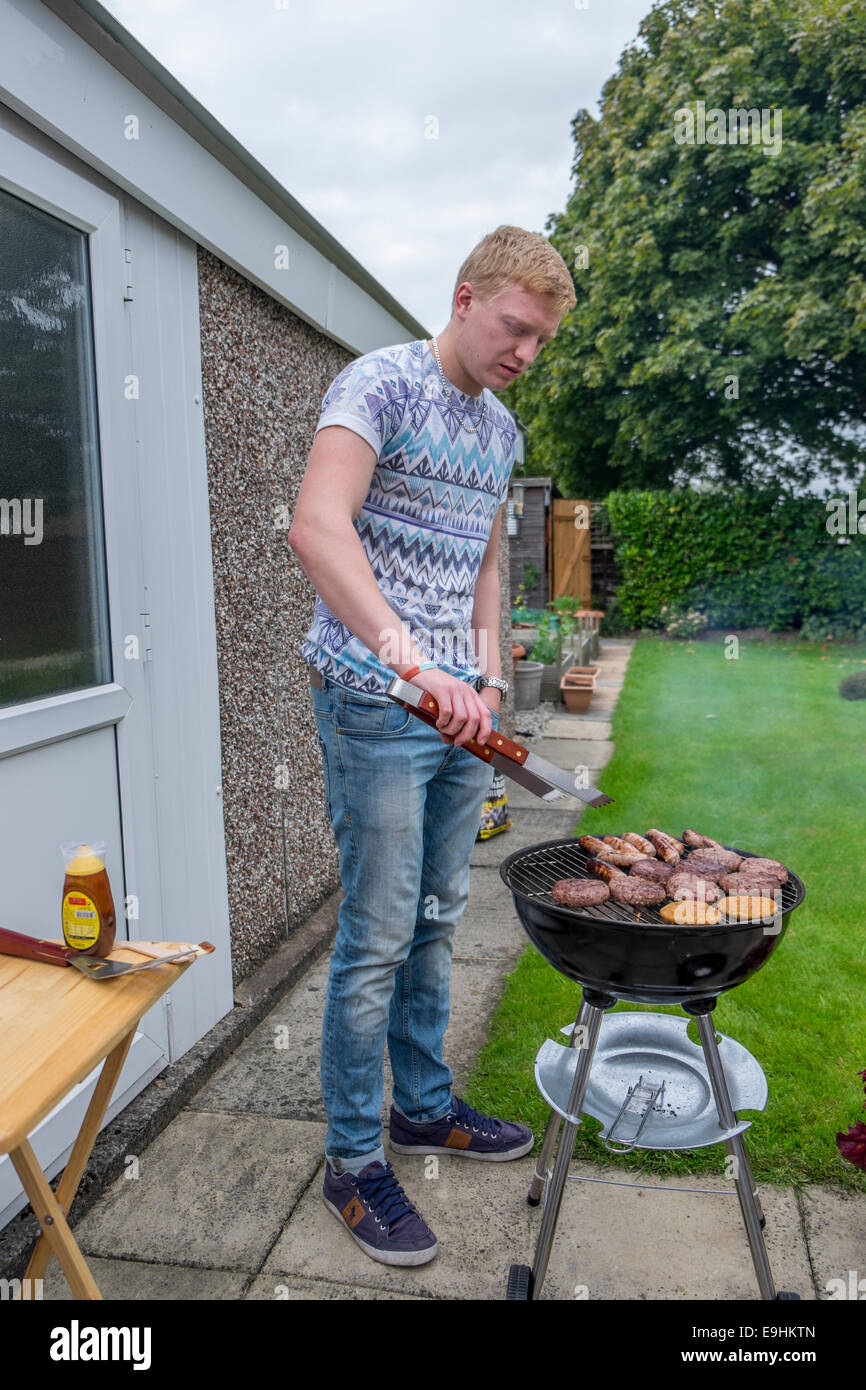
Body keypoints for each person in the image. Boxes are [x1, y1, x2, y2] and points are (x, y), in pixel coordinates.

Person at [288, 224, 576, 1267]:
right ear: (463, 298)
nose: (524, 353)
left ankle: (420, 1105)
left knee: (438, 914)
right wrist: (418, 666)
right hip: (376, 702)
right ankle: (353, 1160)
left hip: (463, 710)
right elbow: (316, 526)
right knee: (373, 934)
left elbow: (488, 567)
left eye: (540, 340)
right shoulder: (378, 385)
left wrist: (489, 676)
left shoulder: (499, 430)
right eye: (515, 329)